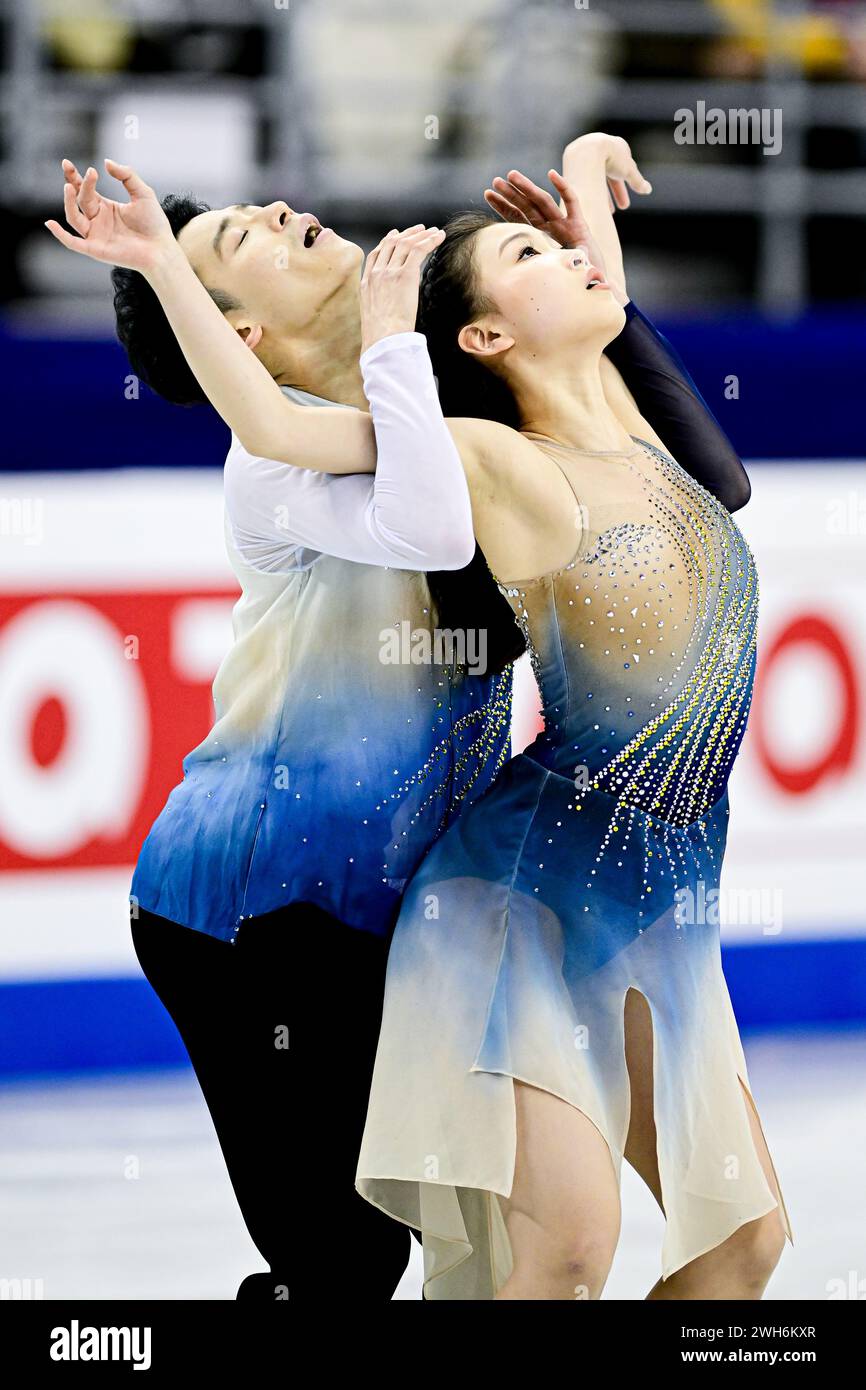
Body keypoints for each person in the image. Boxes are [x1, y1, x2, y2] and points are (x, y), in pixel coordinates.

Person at [45, 131, 764, 1302]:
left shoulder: (430, 384)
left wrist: (598, 283)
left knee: (492, 1240)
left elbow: (697, 479)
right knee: (348, 1259)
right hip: (252, 915)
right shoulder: (272, 461)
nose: (280, 208)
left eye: (258, 209)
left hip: (418, 897)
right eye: (241, 237)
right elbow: (427, 524)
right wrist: (190, 280)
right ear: (238, 335)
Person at [352, 139, 794, 1299]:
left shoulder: (640, 439)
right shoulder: (492, 456)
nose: (570, 262)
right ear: (483, 339)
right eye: (525, 254)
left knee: (740, 1245)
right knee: (564, 1249)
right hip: (516, 896)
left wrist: (585, 187)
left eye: (562, 251)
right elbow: (299, 439)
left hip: (660, 899)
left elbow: (596, 316)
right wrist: (386, 334)